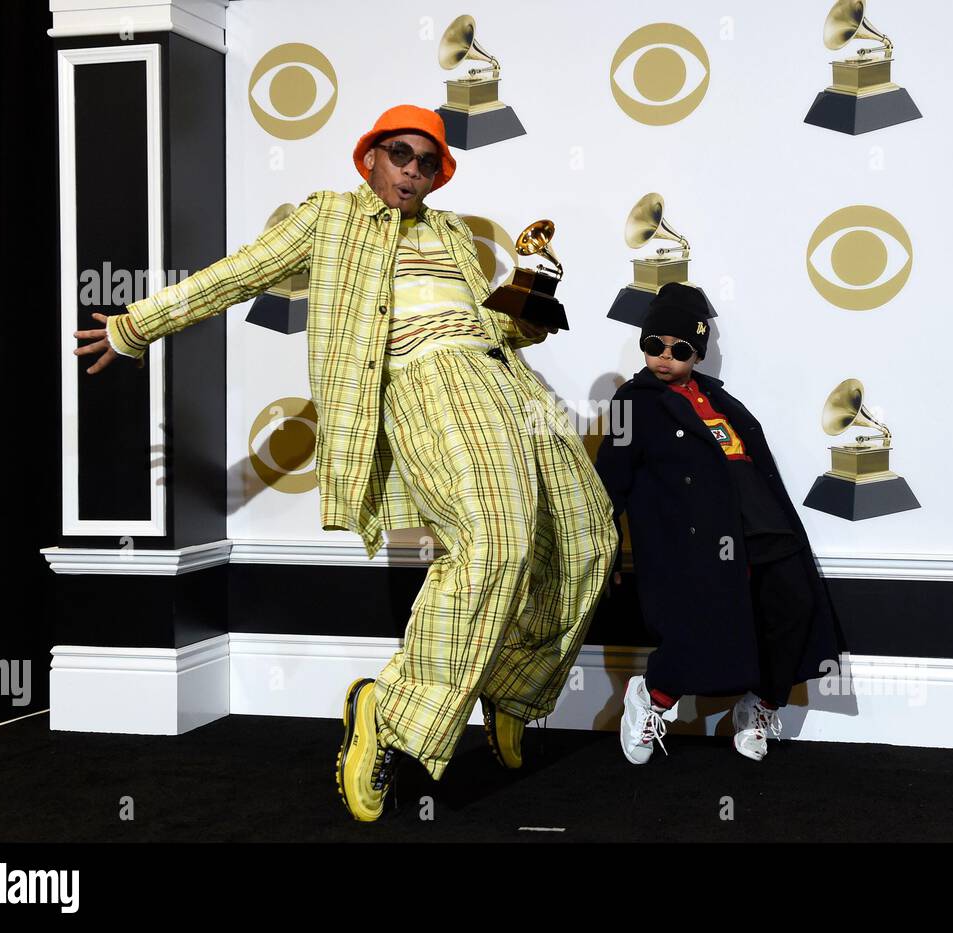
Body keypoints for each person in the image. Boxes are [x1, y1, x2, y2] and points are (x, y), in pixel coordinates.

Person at [72, 104, 619, 821]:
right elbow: (233, 276)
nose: (415, 172)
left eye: (429, 163)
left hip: (503, 380)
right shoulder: (327, 217)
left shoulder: (453, 232)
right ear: (370, 157)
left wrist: (533, 290)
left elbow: (499, 331)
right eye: (402, 155)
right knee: (498, 540)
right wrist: (135, 323)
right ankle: (387, 714)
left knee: (589, 535)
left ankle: (512, 685)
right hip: (427, 382)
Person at [594, 283, 845, 764]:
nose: (664, 358)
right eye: (653, 346)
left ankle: (759, 707)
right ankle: (652, 699)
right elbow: (612, 476)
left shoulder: (718, 397)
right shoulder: (633, 400)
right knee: (701, 621)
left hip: (761, 521)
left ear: (698, 353)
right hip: (693, 535)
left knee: (792, 608)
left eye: (679, 349)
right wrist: (603, 543)